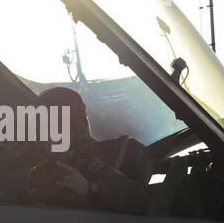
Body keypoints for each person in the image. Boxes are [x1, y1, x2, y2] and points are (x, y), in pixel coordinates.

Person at [21, 87, 151, 215]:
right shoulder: (40, 174)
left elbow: (141, 201)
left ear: (77, 130)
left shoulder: (105, 160)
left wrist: (89, 189)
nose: (48, 138)